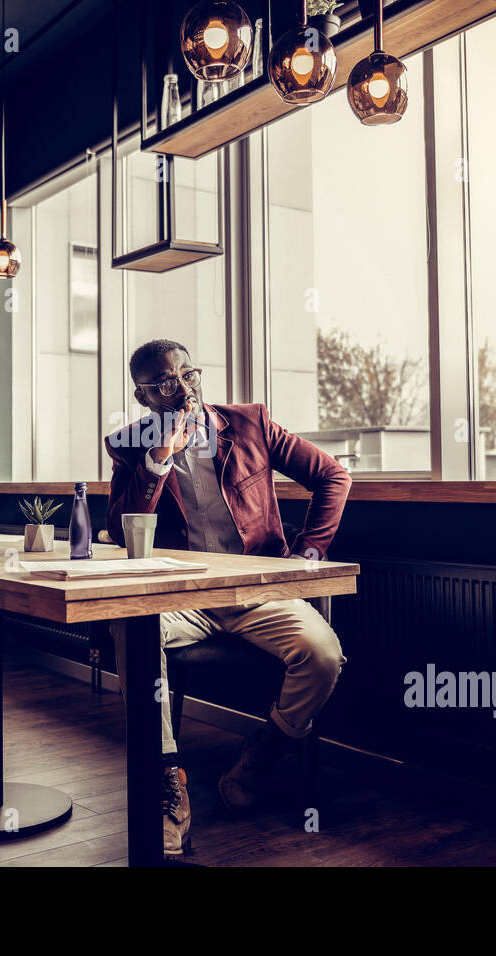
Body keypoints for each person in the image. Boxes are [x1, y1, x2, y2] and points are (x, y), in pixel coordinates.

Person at [103, 339, 352, 860]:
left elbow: (333, 474)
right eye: (165, 383)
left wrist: (307, 557)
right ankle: (168, 781)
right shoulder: (129, 446)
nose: (183, 388)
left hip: (257, 592)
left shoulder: (251, 423)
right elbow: (119, 528)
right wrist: (158, 458)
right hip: (179, 595)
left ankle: (263, 751)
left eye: (188, 374)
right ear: (143, 397)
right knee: (130, 624)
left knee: (324, 655)